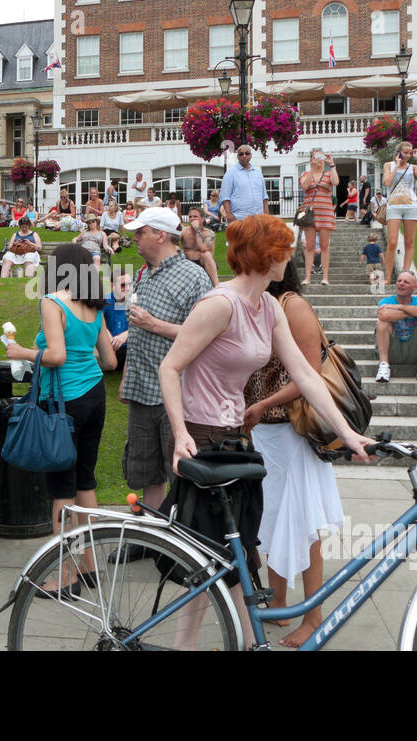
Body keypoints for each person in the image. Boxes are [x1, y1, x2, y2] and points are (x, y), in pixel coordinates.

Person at [160, 215, 372, 648]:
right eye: (285, 249)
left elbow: (307, 377)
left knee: (236, 557)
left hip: (235, 435)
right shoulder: (219, 304)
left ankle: (245, 641)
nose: (292, 257)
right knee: (208, 556)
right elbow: (170, 367)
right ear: (266, 256)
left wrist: (348, 433)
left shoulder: (271, 306)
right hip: (200, 436)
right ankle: (185, 645)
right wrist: (180, 432)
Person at [241, 259, 346, 647]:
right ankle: (280, 603)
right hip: (265, 433)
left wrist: (261, 402)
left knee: (304, 524)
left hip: (293, 431)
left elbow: (310, 375)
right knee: (272, 521)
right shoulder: (261, 304)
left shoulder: (292, 305)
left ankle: (313, 617)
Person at [5, 244, 117, 597]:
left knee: (62, 491)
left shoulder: (52, 302)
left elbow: (56, 355)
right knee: (86, 482)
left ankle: (64, 577)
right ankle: (90, 567)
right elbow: (111, 361)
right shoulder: (95, 305)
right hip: (95, 397)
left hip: (63, 405)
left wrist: (21, 351)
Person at [119, 205, 212, 513]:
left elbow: (206, 336)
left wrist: (154, 324)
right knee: (147, 472)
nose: (134, 238)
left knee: (180, 472)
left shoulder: (194, 277)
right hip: (141, 392)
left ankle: (181, 546)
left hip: (177, 396)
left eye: (141, 233)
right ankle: (150, 537)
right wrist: (126, 378)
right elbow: (137, 332)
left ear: (161, 236)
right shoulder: (143, 274)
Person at [374, 271, 417, 384]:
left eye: (406, 282)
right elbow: (384, 315)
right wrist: (415, 312)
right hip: (392, 349)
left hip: (414, 350)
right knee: (382, 322)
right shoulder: (386, 301)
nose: (401, 284)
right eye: (399, 281)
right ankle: (384, 365)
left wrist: (399, 307)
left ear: (415, 287)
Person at [382, 141, 417, 285]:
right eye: (405, 152)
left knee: (409, 242)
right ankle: (388, 277)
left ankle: (405, 274)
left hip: (410, 206)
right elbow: (387, 182)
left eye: (410, 153)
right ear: (399, 152)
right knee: (392, 242)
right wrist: (396, 166)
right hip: (394, 206)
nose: (408, 155)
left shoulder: (412, 167)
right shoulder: (389, 165)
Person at [298, 148, 338, 286]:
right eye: (316, 157)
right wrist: (312, 170)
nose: (319, 160)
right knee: (309, 247)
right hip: (310, 215)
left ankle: (325, 277)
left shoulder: (328, 174)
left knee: (324, 246)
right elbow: (304, 185)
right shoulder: (305, 173)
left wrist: (331, 164)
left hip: (325, 213)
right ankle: (307, 277)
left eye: (321, 156)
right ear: (311, 159)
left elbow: (336, 181)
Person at [219, 144, 265, 221]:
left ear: (251, 155)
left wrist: (266, 215)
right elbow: (224, 197)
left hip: (258, 219)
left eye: (247, 153)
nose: (244, 156)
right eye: (241, 154)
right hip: (239, 219)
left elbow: (264, 196)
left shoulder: (258, 173)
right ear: (237, 156)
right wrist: (229, 215)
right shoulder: (230, 173)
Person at [182, 205, 219, 287]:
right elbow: (172, 243)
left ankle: (216, 286)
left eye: (195, 216)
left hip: (203, 263)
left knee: (206, 254)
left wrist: (197, 229)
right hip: (187, 262)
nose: (192, 219)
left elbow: (203, 248)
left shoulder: (209, 233)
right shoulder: (184, 231)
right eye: (190, 217)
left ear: (202, 219)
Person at [103, 269, 131, 370]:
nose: (128, 288)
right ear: (112, 285)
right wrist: (108, 338)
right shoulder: (104, 301)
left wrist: (126, 335)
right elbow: (97, 322)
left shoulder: (136, 300)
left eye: (130, 284)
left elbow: (141, 325)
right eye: (123, 285)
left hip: (130, 347)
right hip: (110, 346)